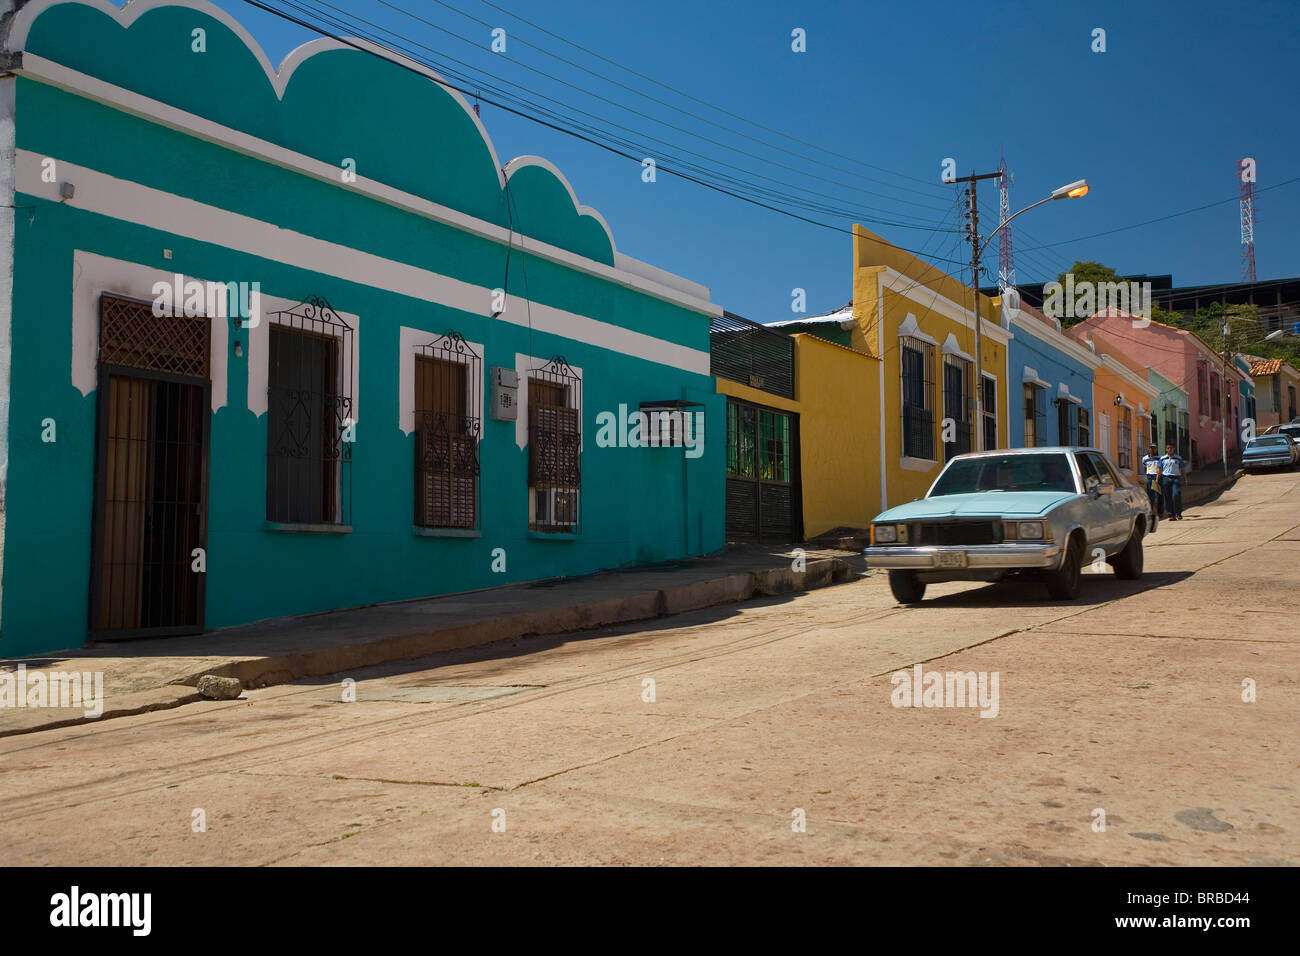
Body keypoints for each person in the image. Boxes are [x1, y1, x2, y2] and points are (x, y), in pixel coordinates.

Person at [1159, 443, 1188, 520]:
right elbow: (1159, 469)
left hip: (1176, 479)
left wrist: (1185, 479)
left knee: (1176, 495)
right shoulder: (1162, 458)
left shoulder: (1178, 458)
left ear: (1173, 449)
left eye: (1171, 448)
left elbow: (1182, 469)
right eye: (1168, 448)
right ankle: (1171, 515)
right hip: (1165, 478)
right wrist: (1156, 480)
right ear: (1166, 449)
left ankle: (1178, 513)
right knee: (1167, 497)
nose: (1170, 449)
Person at [1140, 444, 1163, 517]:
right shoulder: (1144, 458)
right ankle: (1151, 511)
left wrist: (1157, 478)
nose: (1152, 450)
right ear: (1148, 449)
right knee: (1151, 495)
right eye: (1150, 448)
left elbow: (1161, 468)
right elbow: (1145, 466)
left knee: (1160, 495)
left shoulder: (1160, 458)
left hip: (1158, 477)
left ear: (1156, 449)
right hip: (1149, 477)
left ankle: (1160, 511)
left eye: (1154, 448)